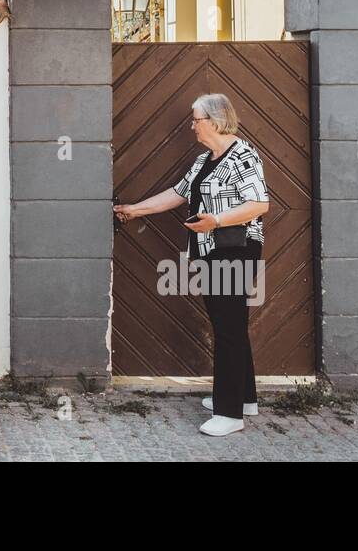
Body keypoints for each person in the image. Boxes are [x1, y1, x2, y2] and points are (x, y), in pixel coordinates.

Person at [114, 93, 269, 437]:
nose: (192, 126)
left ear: (214, 121)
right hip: (210, 248)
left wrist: (215, 221)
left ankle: (229, 414)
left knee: (228, 328)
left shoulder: (243, 155)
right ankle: (244, 398)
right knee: (230, 323)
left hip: (235, 249)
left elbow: (259, 204)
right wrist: (134, 209)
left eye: (196, 119)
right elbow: (178, 193)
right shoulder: (205, 160)